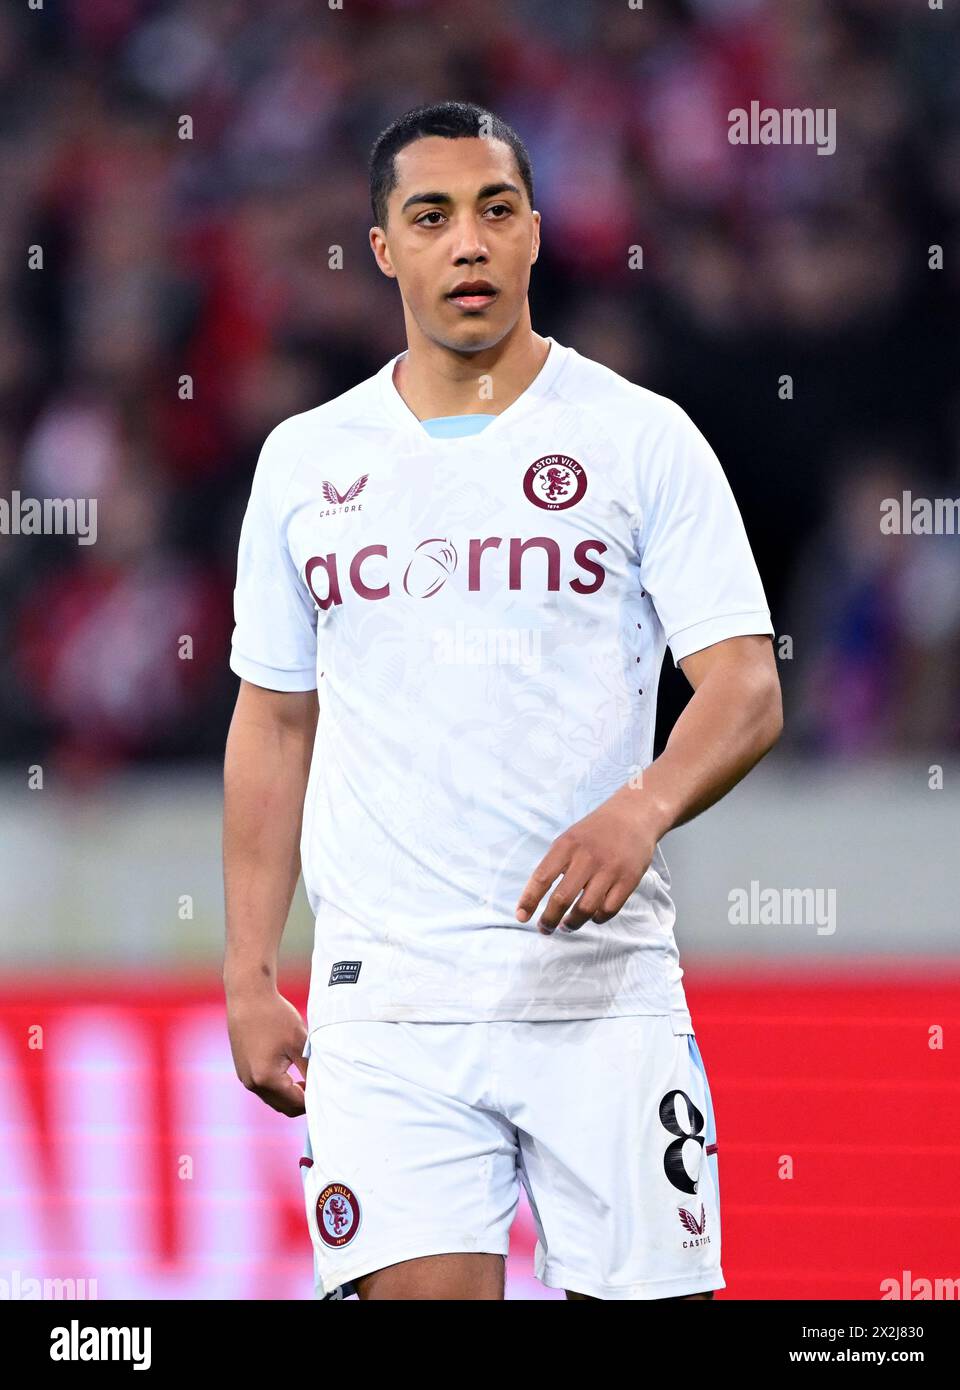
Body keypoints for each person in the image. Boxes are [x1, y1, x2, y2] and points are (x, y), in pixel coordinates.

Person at [222, 101, 782, 1302]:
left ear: (532, 233)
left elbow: (741, 685)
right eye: (431, 217)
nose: (466, 243)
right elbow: (273, 722)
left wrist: (640, 810)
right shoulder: (305, 462)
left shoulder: (641, 440)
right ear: (383, 247)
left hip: (601, 995)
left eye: (494, 210)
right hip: (390, 1009)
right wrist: (246, 968)